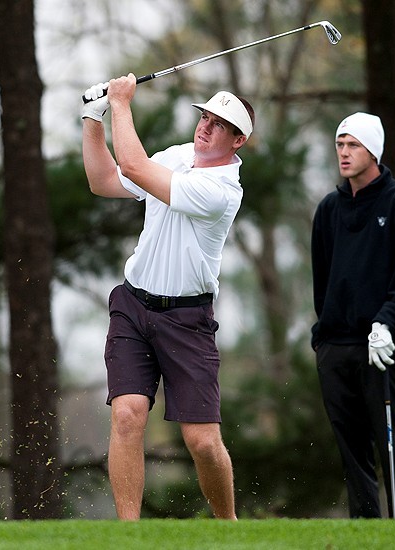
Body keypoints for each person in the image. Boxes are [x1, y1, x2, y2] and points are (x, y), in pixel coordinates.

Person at [81, 74, 254, 520]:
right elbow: (104, 181)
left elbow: (136, 167)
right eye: (205, 117)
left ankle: (228, 526)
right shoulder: (177, 157)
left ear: (237, 141)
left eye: (219, 124)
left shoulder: (222, 191)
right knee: (127, 415)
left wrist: (120, 103)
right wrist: (92, 119)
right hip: (133, 308)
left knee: (202, 441)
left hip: (187, 320)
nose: (205, 127)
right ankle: (129, 536)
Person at [310, 112, 395, 518]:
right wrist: (324, 340)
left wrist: (388, 320)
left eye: (354, 145)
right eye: (340, 145)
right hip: (337, 348)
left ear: (374, 151)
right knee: (353, 453)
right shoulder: (329, 209)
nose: (344, 154)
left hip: (384, 346)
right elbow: (323, 283)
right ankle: (366, 533)